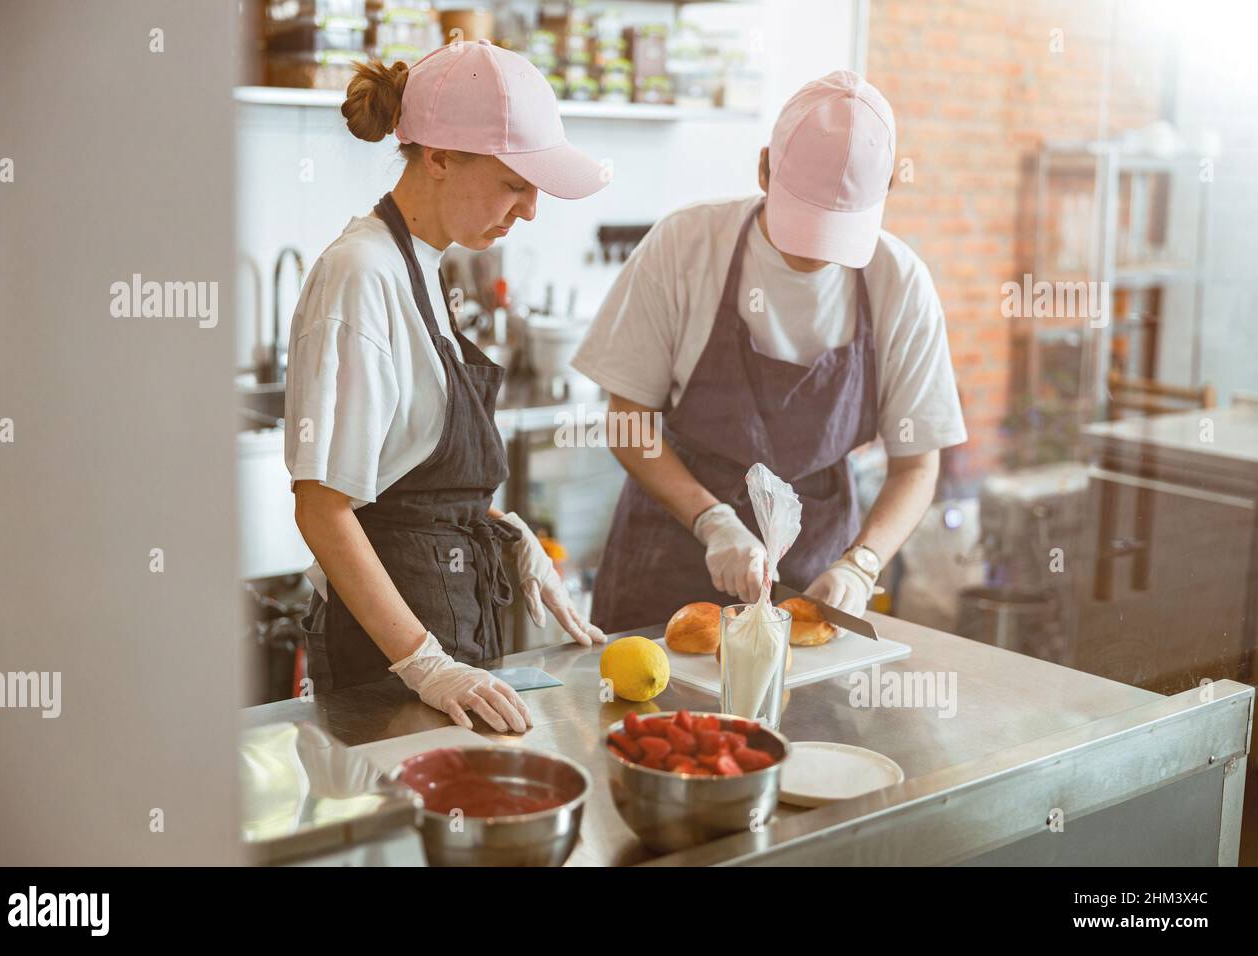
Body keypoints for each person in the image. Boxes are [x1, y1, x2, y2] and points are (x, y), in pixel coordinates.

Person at [285, 40, 607, 733]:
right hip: (391, 660)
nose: (529, 211)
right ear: (437, 157)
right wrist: (425, 663)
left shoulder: (421, 265)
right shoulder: (361, 274)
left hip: (449, 638)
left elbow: (408, 474)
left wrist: (504, 532)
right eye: (514, 184)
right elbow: (322, 508)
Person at [572, 70, 967, 633]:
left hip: (813, 573)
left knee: (800, 722)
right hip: (669, 556)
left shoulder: (899, 283)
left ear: (885, 196)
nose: (813, 253)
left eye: (836, 233)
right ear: (763, 168)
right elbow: (628, 421)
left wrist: (861, 564)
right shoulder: (686, 244)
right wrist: (714, 521)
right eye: (802, 222)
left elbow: (917, 463)